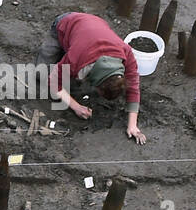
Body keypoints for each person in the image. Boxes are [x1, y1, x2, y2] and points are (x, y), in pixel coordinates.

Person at [37, 12, 145, 144]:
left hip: (95, 24)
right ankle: (62, 49)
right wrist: (76, 106)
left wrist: (132, 125)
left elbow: (134, 88)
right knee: (42, 74)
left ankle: (64, 54)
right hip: (65, 23)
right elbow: (53, 83)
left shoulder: (126, 52)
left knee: (66, 72)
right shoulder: (76, 57)